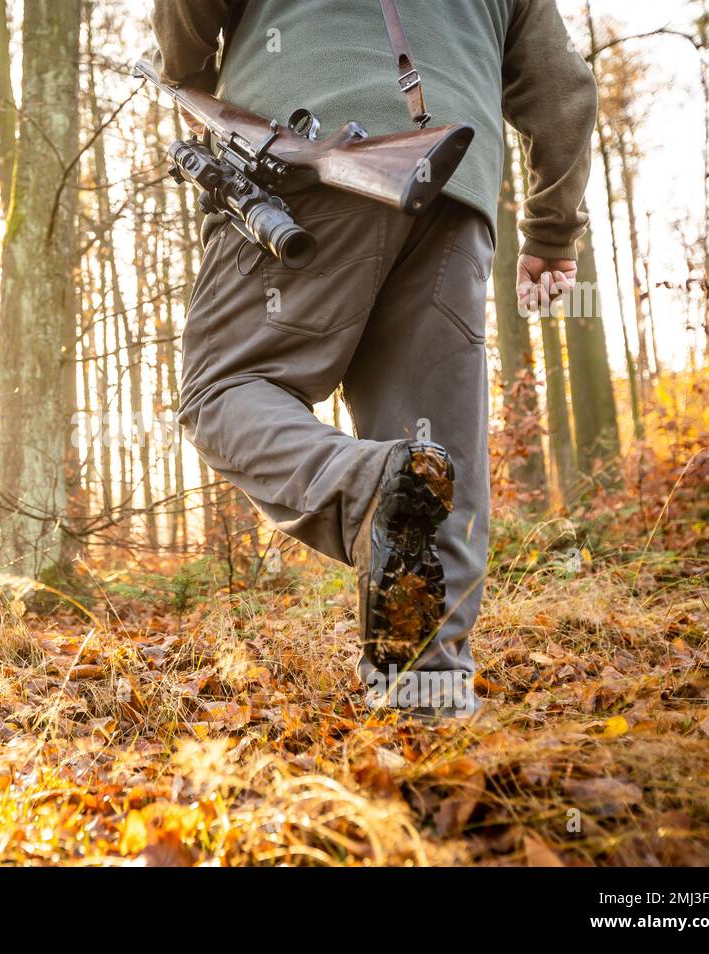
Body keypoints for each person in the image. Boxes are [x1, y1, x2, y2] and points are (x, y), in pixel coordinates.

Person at [150, 0, 597, 718]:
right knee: (431, 448)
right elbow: (563, 89)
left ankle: (362, 491)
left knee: (224, 389)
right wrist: (551, 230)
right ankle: (428, 699)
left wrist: (191, 85)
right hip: (453, 187)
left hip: (297, 161)